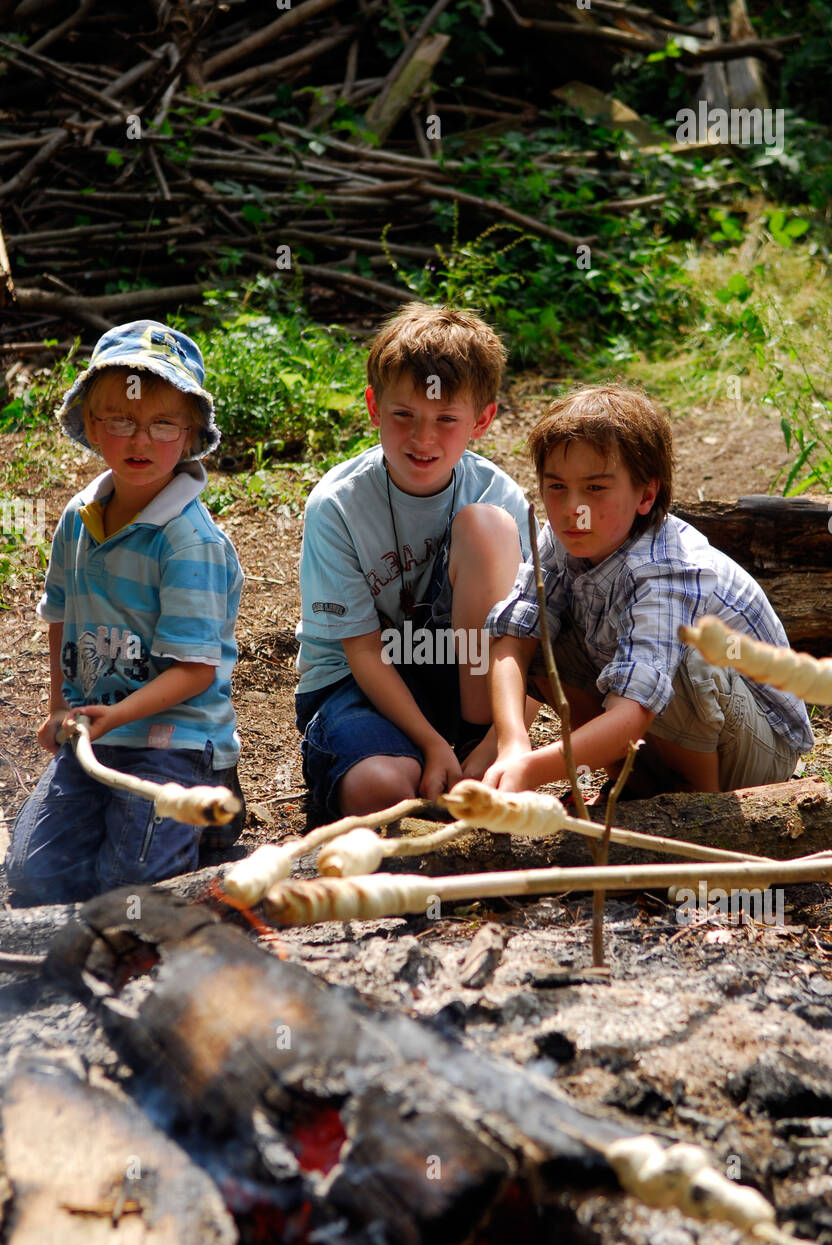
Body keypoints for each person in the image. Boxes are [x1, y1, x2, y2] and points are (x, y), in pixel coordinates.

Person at [6, 320, 244, 906]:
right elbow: (60, 615)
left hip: (174, 739)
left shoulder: (189, 543)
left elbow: (194, 671)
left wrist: (115, 718)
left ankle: (211, 814)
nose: (141, 439)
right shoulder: (77, 518)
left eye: (163, 423)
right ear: (90, 426)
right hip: (96, 734)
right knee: (35, 877)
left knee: (131, 887)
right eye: (120, 420)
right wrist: (61, 709)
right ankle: (128, 821)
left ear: (190, 436)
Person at [483, 384, 814, 797]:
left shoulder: (666, 569)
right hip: (673, 725)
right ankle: (636, 777)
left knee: (687, 656)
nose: (572, 509)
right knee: (536, 631)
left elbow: (635, 710)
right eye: (556, 487)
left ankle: (695, 801)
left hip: (757, 751)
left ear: (646, 493)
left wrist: (532, 770)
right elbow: (512, 637)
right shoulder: (560, 539)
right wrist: (513, 744)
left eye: (595, 488)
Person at [295, 301, 536, 817]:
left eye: (446, 419)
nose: (423, 439)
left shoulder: (500, 493)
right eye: (404, 415)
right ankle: (421, 757)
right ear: (374, 407)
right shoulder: (337, 504)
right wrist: (430, 744)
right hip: (356, 682)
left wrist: (498, 744)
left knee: (488, 526)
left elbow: (533, 636)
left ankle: (470, 745)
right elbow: (361, 650)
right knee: (382, 787)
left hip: (457, 680)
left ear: (482, 419)